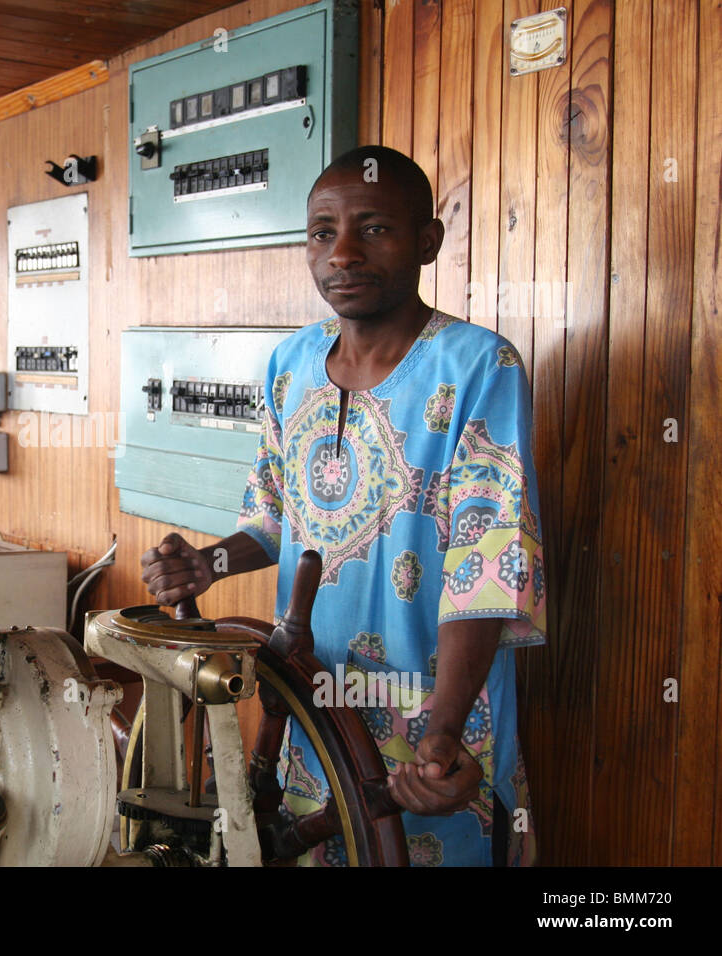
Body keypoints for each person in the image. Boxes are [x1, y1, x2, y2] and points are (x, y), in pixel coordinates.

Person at [139, 145, 546, 866]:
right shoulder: (289, 365)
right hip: (310, 707)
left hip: (432, 728)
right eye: (322, 233)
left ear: (427, 241)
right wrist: (210, 563)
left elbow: (487, 564)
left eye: (374, 229)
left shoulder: (481, 365)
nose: (343, 253)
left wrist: (443, 731)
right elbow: (272, 517)